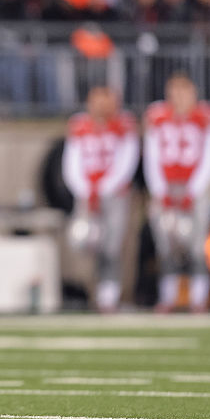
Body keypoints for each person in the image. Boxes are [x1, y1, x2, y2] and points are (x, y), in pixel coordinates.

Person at [143, 74, 210, 313]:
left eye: (183, 91)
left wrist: (194, 190)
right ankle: (168, 297)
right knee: (166, 246)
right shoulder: (157, 116)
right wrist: (159, 190)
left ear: (193, 93)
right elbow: (151, 155)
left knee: (197, 246)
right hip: (165, 188)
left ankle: (199, 299)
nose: (178, 97)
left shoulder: (205, 116)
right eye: (174, 91)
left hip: (194, 188)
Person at [61, 87, 139, 312]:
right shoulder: (79, 124)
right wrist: (86, 190)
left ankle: (109, 297)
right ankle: (95, 292)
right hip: (86, 195)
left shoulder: (124, 124)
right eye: (97, 102)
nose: (101, 108)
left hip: (114, 195)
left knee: (112, 247)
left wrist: (102, 188)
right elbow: (71, 162)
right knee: (85, 244)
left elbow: (127, 161)